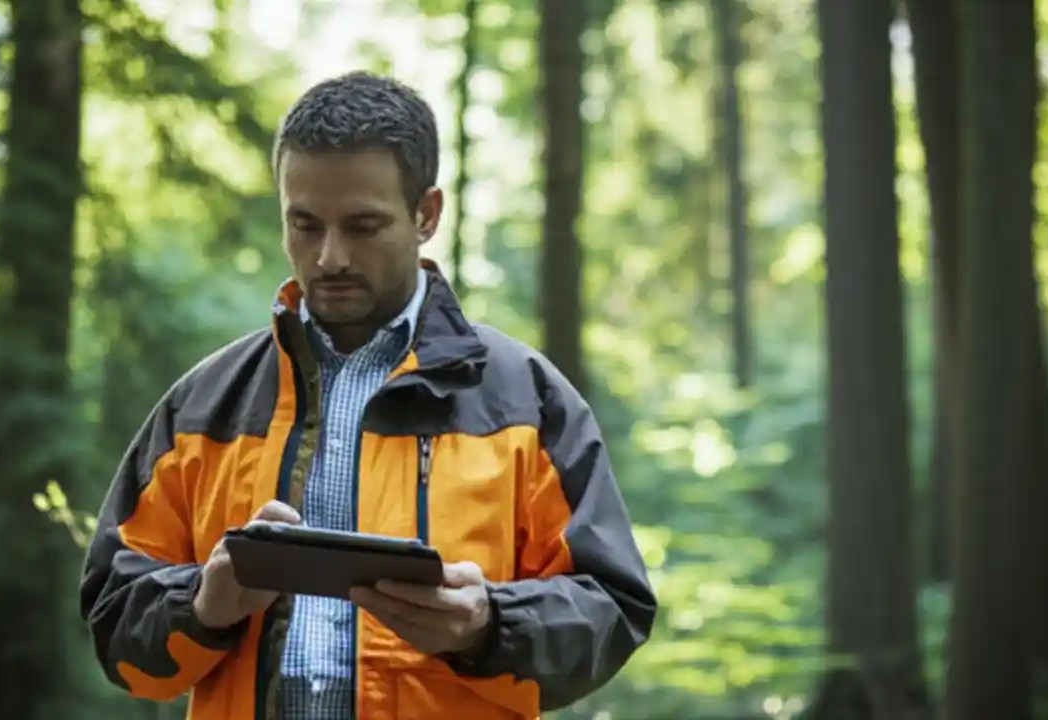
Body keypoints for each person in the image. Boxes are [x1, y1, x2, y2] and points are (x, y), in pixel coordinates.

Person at [78, 71, 656, 720]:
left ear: (426, 214)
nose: (329, 256)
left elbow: (612, 605)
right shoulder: (204, 406)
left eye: (363, 226)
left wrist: (489, 623)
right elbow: (113, 621)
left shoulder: (525, 400)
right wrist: (204, 605)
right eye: (304, 224)